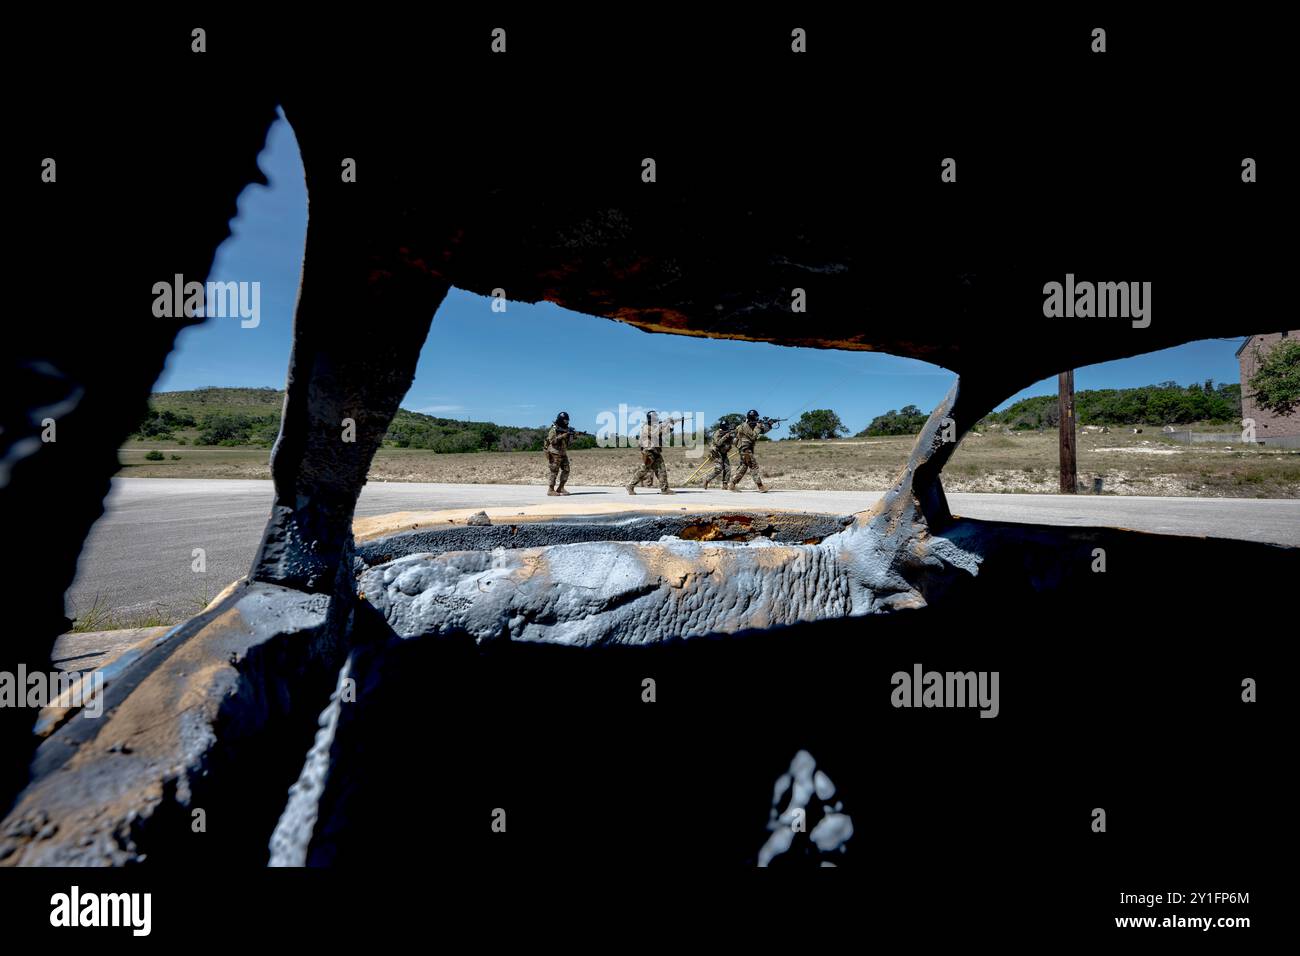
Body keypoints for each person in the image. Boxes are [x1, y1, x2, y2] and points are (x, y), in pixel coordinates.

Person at [626, 410, 679, 495]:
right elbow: (655, 433)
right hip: (649, 452)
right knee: (644, 470)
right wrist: (665, 423)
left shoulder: (655, 426)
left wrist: (671, 424)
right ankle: (630, 485)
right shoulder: (647, 427)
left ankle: (664, 489)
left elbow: (665, 432)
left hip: (656, 452)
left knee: (662, 470)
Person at [728, 409, 772, 492]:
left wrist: (769, 425)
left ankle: (732, 484)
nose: (757, 419)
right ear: (753, 418)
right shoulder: (745, 426)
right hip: (746, 449)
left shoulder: (745, 426)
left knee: (744, 467)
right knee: (753, 466)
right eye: (756, 417)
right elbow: (754, 436)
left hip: (744, 449)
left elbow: (761, 431)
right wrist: (758, 427)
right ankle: (760, 487)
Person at [544, 411, 577, 496]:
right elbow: (552, 441)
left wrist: (572, 436)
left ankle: (561, 488)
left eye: (567, 420)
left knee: (566, 470)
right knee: (554, 471)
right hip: (554, 453)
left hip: (562, 452)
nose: (567, 422)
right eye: (565, 420)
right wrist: (563, 436)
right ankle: (550, 490)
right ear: (561, 420)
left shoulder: (566, 429)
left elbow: (569, 443)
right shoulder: (554, 429)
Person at [702, 420, 735, 490]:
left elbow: (732, 442)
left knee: (728, 468)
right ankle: (707, 480)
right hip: (716, 452)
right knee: (719, 469)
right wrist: (726, 436)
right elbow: (718, 443)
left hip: (723, 452)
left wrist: (731, 436)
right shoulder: (717, 433)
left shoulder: (727, 433)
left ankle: (725, 484)